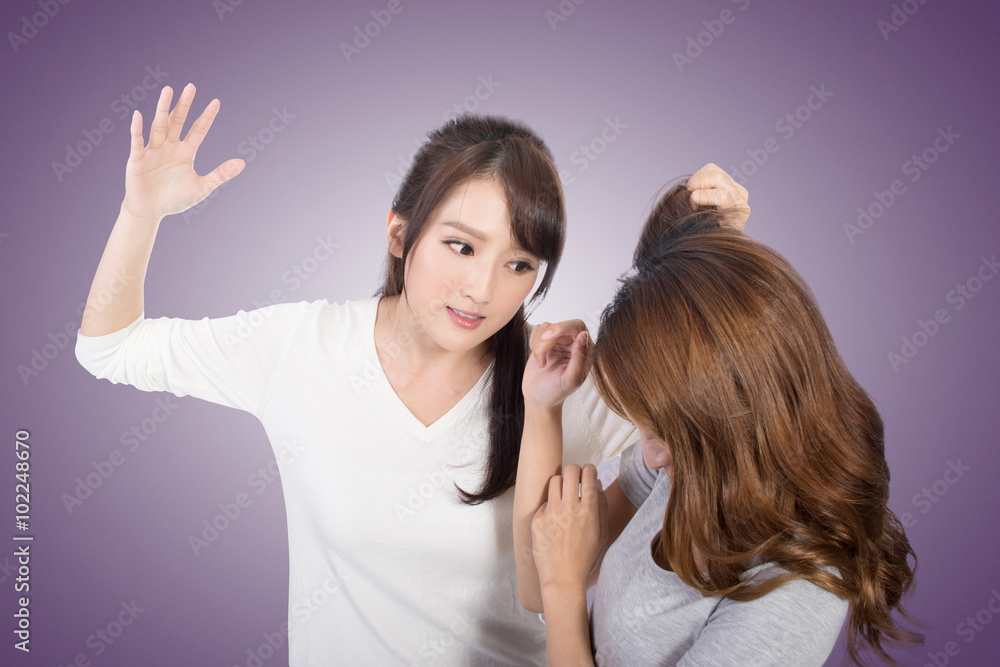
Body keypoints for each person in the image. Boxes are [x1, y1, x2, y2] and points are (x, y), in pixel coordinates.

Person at [74, 84, 750, 665]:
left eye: (519, 264)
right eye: (461, 246)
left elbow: (728, 409)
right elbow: (110, 347)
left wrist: (715, 250)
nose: (482, 289)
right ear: (400, 235)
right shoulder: (301, 347)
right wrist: (140, 214)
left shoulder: (558, 380)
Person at [514, 180, 922, 666]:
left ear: (735, 415)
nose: (648, 457)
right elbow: (536, 585)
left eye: (660, 433)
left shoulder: (793, 596)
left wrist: (564, 588)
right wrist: (541, 406)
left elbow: (554, 584)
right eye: (645, 426)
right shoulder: (689, 465)